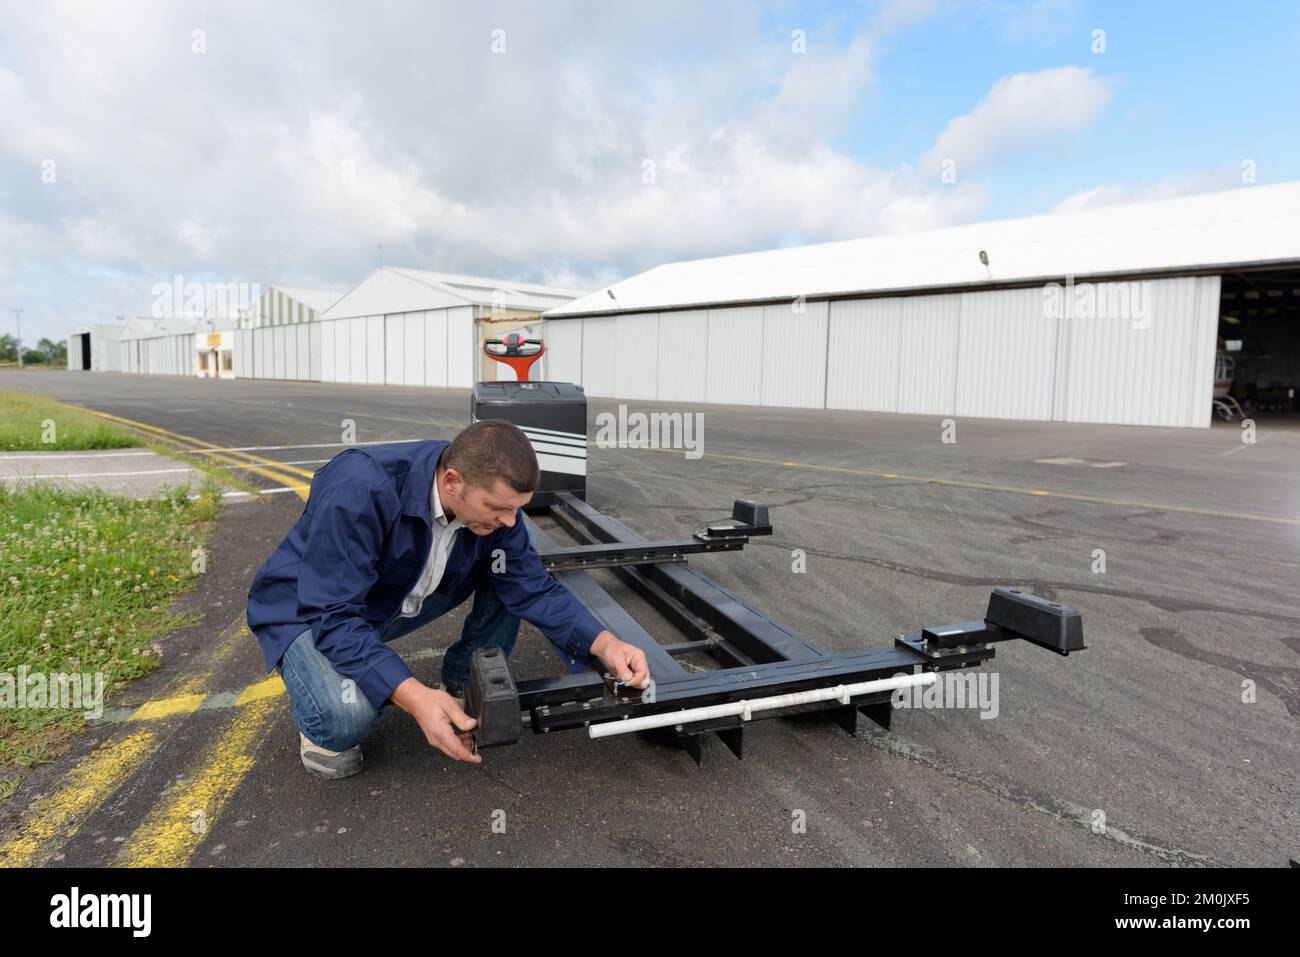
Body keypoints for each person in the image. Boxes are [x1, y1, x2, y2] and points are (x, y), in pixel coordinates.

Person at [246, 419, 650, 779]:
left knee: (506, 570)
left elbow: (531, 585)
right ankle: (318, 717)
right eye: (497, 508)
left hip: (393, 597)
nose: (509, 522)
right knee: (346, 717)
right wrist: (415, 696)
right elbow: (333, 615)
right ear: (452, 481)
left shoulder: (493, 503)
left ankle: (460, 682)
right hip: (308, 611)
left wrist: (606, 643)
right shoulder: (361, 487)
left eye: (517, 510)